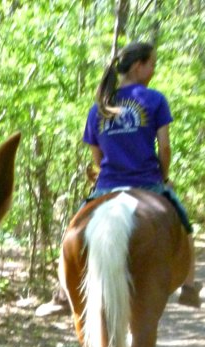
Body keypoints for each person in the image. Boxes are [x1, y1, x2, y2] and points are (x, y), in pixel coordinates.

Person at [83, 41, 200, 308]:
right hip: (147, 184)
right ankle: (190, 287)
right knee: (184, 224)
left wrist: (103, 173)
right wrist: (164, 176)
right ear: (138, 66)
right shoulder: (155, 99)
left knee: (75, 227)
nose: (154, 71)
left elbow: (97, 157)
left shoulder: (98, 107)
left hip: (108, 185)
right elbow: (165, 147)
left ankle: (63, 293)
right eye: (152, 65)